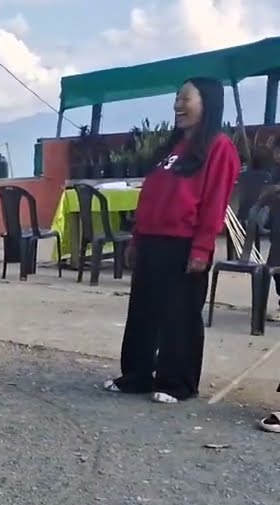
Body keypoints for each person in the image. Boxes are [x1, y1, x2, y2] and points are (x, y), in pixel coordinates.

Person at [105, 77, 241, 405]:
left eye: (186, 99)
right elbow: (150, 196)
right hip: (151, 240)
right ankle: (137, 375)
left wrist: (202, 248)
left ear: (207, 103)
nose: (178, 105)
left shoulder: (219, 147)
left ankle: (177, 382)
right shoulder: (172, 149)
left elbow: (214, 202)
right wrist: (136, 239)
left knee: (179, 315)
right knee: (143, 312)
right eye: (177, 98)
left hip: (184, 242)